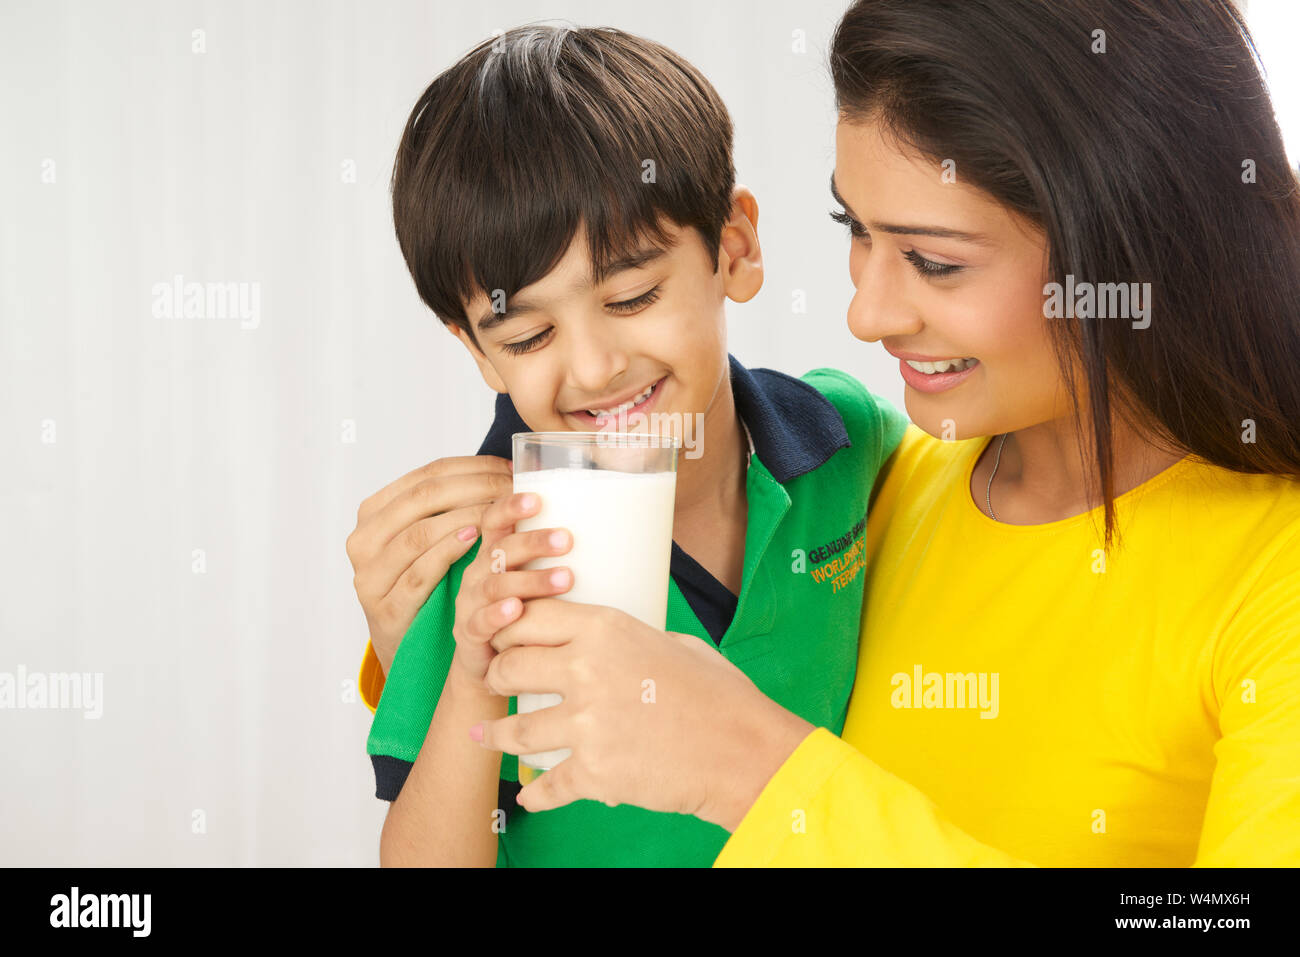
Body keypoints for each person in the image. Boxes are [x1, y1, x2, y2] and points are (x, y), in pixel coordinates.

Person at [467, 0, 1300, 866]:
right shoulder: (877, 487)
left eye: (935, 261)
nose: (866, 313)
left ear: (1133, 248)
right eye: (856, 231)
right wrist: (437, 629)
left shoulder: (1276, 571)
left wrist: (758, 773)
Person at [345, 23, 908, 866]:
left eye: (633, 295)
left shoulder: (845, 440)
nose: (597, 368)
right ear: (476, 349)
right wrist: (469, 670)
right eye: (530, 337)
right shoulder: (480, 566)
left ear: (735, 248)